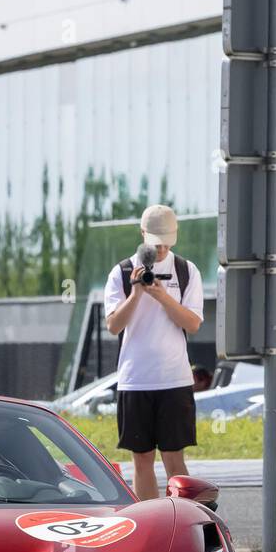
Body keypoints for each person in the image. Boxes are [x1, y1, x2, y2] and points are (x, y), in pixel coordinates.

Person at [103, 204, 205, 499]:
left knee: (175, 460)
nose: (160, 250)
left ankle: (181, 526)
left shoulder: (186, 270)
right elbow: (113, 325)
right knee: (142, 460)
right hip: (135, 380)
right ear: (142, 234)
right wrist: (136, 294)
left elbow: (193, 323)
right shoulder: (122, 272)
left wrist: (162, 296)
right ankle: (151, 528)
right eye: (155, 244)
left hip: (175, 380)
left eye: (166, 244)